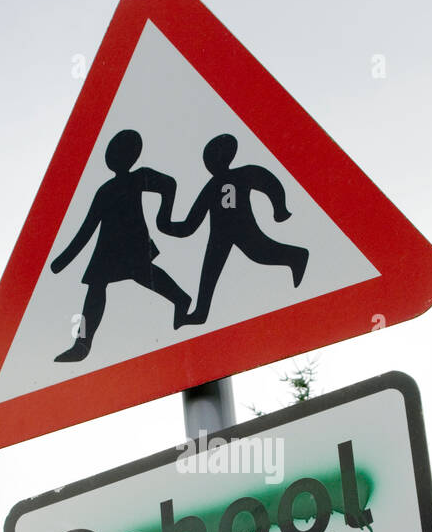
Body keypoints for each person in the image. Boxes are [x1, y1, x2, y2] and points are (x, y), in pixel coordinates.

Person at [50, 129, 191, 362]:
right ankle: (82, 344)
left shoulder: (138, 177)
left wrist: (163, 218)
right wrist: (63, 260)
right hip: (108, 248)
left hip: (133, 243)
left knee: (145, 275)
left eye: (118, 152)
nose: (112, 157)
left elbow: (169, 184)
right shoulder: (105, 190)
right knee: (98, 287)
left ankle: (181, 299)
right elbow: (88, 227)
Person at [164, 134, 309, 325]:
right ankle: (200, 312)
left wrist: (280, 208)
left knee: (258, 253)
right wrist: (279, 209)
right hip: (223, 234)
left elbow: (268, 182)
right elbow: (190, 224)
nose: (208, 164)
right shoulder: (234, 177)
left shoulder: (225, 180)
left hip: (238, 228)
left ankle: (296, 256)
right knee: (211, 270)